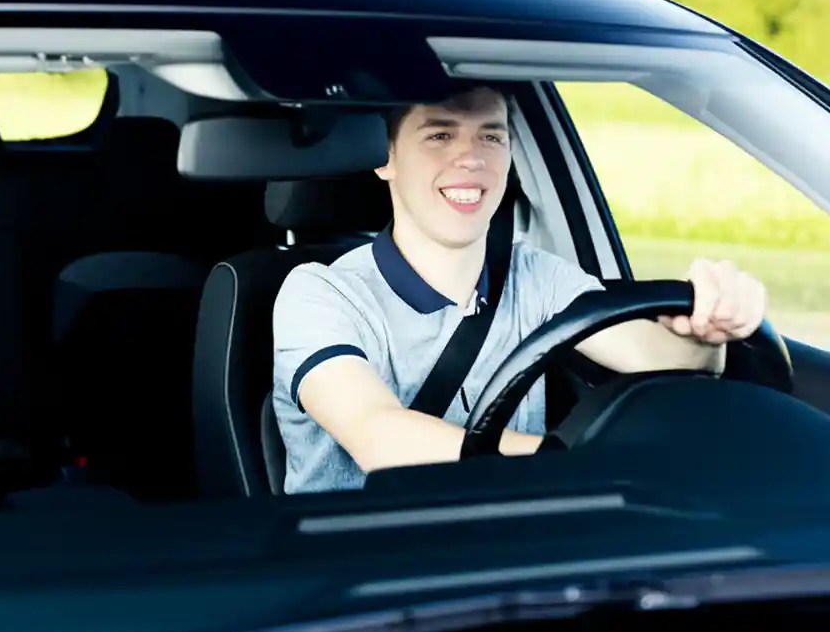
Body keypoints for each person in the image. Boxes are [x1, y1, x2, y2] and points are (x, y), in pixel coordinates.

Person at [271, 80, 768, 494]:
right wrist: (580, 462)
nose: (471, 159)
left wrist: (710, 327)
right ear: (387, 158)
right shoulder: (319, 294)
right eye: (440, 136)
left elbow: (666, 358)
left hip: (510, 555)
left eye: (491, 137)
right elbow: (380, 438)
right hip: (357, 570)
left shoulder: (538, 277)